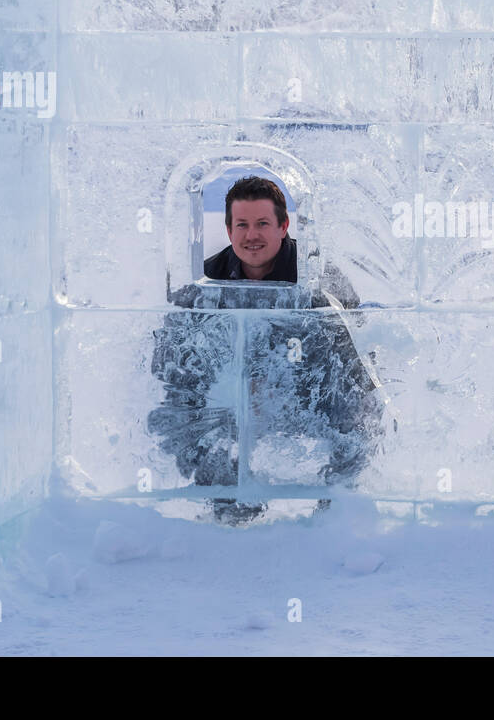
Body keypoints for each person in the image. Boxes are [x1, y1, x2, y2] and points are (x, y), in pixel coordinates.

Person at [146, 176, 384, 524]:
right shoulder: (206, 283)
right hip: (231, 400)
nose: (251, 235)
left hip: (307, 396)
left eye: (262, 224)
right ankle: (229, 505)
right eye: (241, 225)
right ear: (228, 230)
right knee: (175, 414)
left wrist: (289, 379)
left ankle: (335, 512)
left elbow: (355, 360)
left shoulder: (319, 277)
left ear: (284, 226)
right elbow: (171, 363)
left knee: (359, 410)